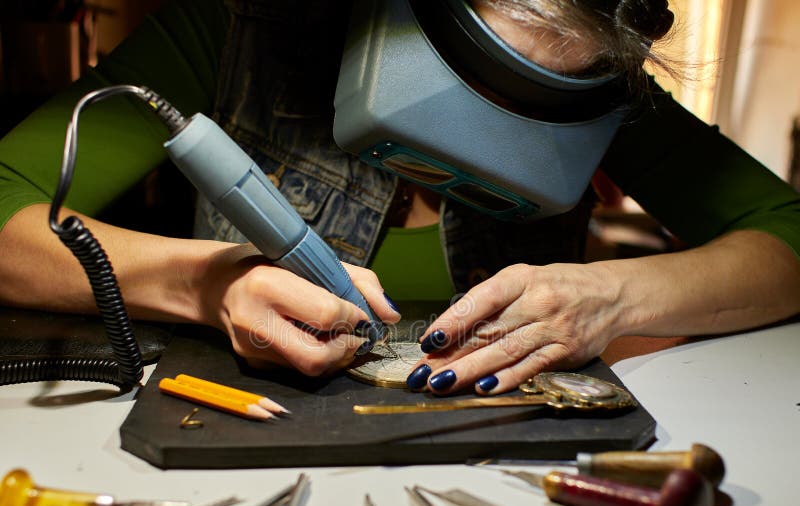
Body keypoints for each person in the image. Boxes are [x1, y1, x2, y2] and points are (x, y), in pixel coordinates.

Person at [0, 0, 798, 395]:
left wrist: (611, 297)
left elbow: (785, 234)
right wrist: (210, 284)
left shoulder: (605, 92)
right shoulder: (240, 29)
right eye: (475, 81)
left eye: (537, 110)